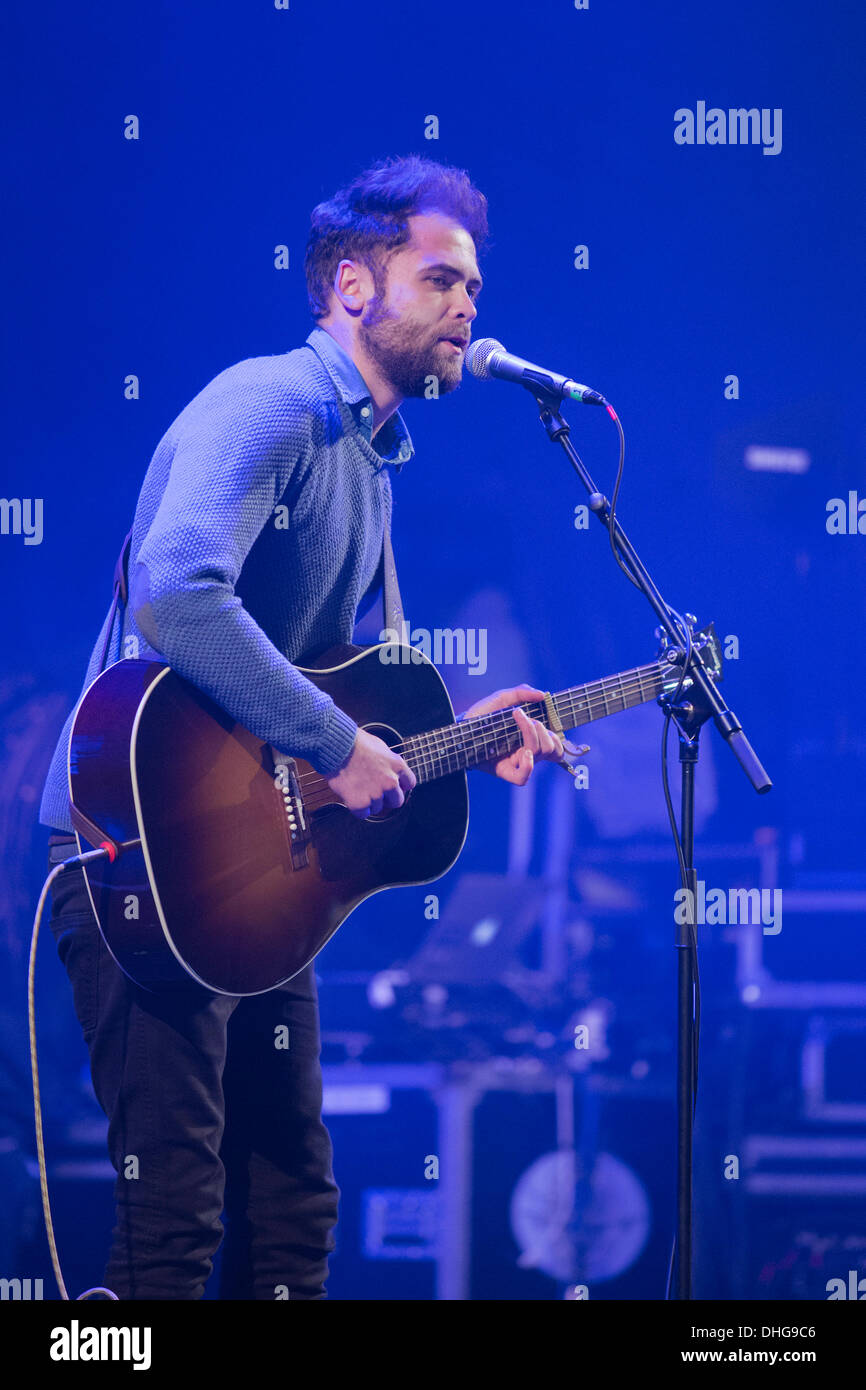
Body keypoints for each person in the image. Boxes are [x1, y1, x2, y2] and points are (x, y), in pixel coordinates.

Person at [37, 153, 565, 1300]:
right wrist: (334, 744)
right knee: (171, 1217)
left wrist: (462, 733)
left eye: (473, 286)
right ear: (350, 287)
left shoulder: (370, 466)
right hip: (146, 850)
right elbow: (177, 594)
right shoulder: (270, 402)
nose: (468, 307)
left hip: (253, 873)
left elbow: (333, 683)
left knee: (290, 1198)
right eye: (440, 278)